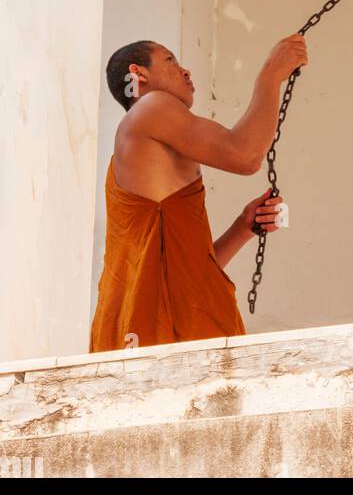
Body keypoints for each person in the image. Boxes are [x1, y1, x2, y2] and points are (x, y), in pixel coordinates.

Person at [89, 34, 308, 353]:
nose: (185, 70)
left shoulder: (146, 151)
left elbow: (185, 273)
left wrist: (242, 228)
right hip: (160, 335)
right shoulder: (151, 106)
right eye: (170, 60)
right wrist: (271, 74)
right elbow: (244, 156)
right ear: (139, 75)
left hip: (148, 328)